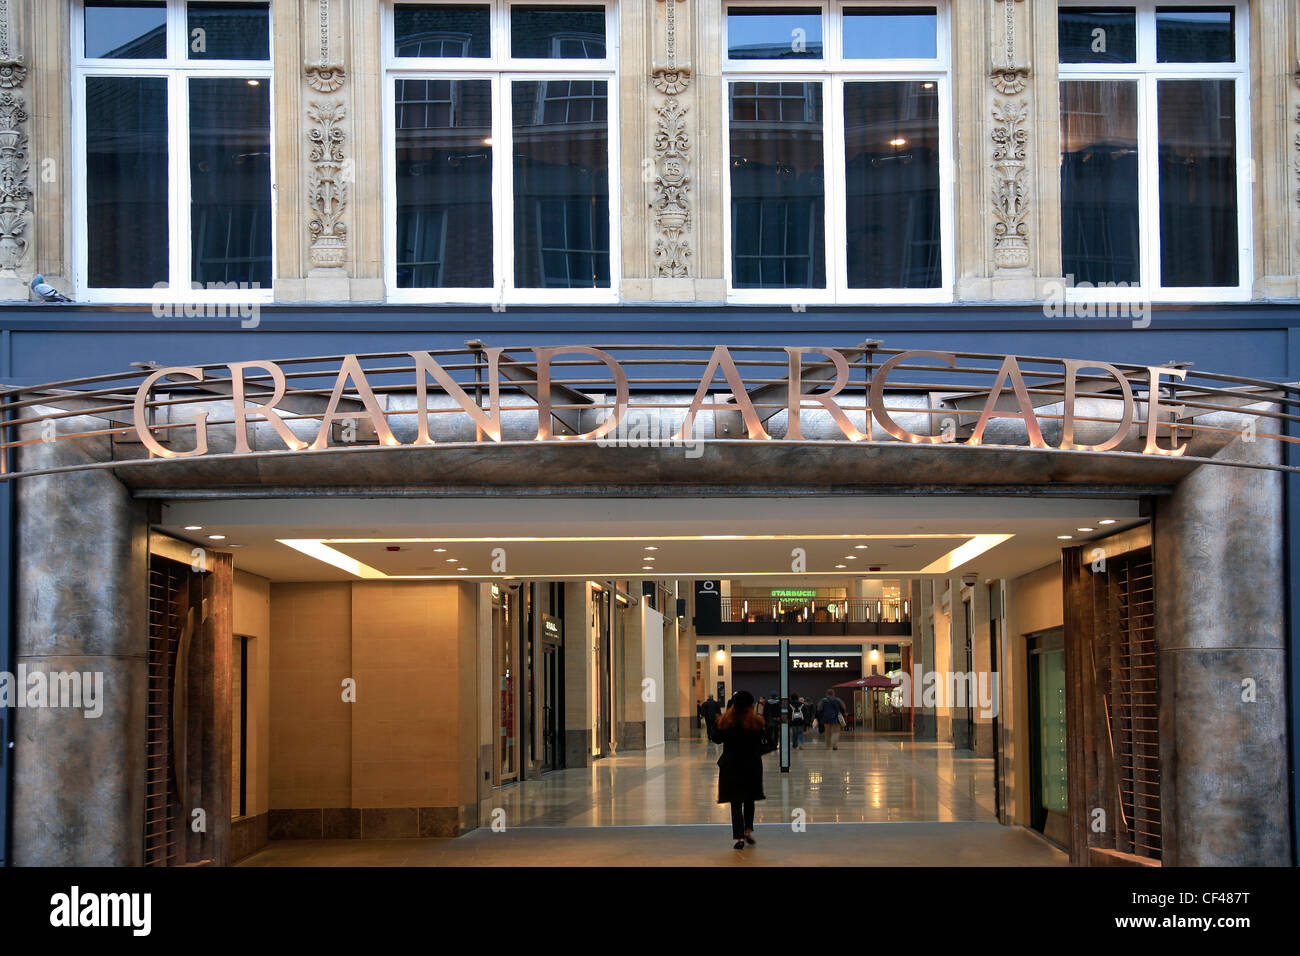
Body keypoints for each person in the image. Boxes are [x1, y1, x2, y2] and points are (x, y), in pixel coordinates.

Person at [710, 690, 775, 849]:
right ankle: (747, 830)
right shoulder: (756, 722)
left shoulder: (726, 721)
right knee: (749, 799)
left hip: (731, 765)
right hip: (751, 764)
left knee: (735, 801)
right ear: (750, 705)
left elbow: (716, 739)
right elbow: (768, 742)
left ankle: (739, 837)